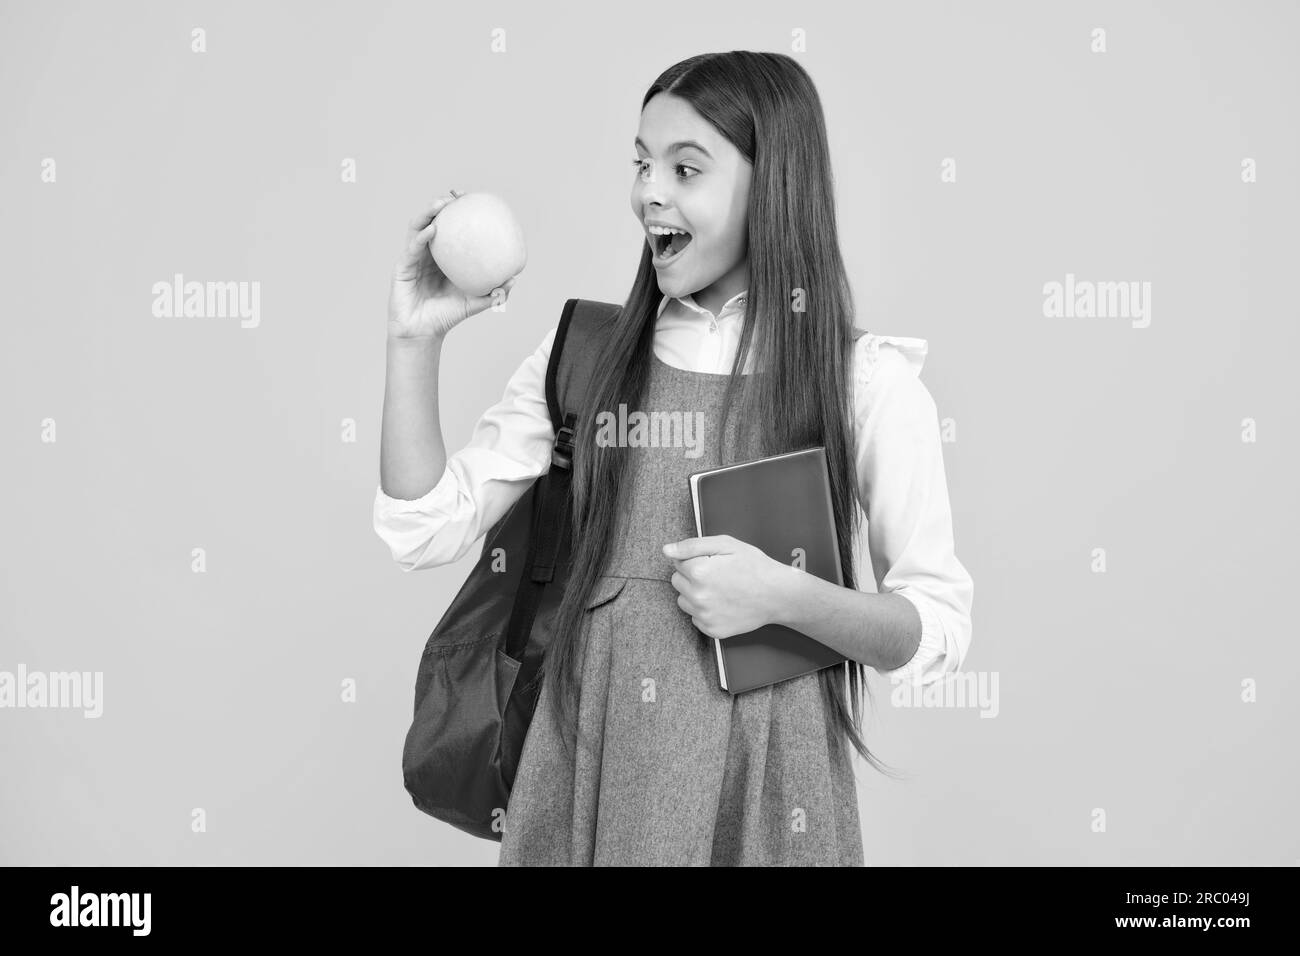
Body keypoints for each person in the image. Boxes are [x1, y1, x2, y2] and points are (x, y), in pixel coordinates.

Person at [375, 51, 974, 866]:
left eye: (685, 168)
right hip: (587, 778)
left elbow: (929, 628)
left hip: (769, 798)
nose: (648, 192)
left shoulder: (861, 381)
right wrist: (415, 339)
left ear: (776, 185)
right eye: (642, 163)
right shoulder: (588, 354)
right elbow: (422, 529)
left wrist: (785, 594)